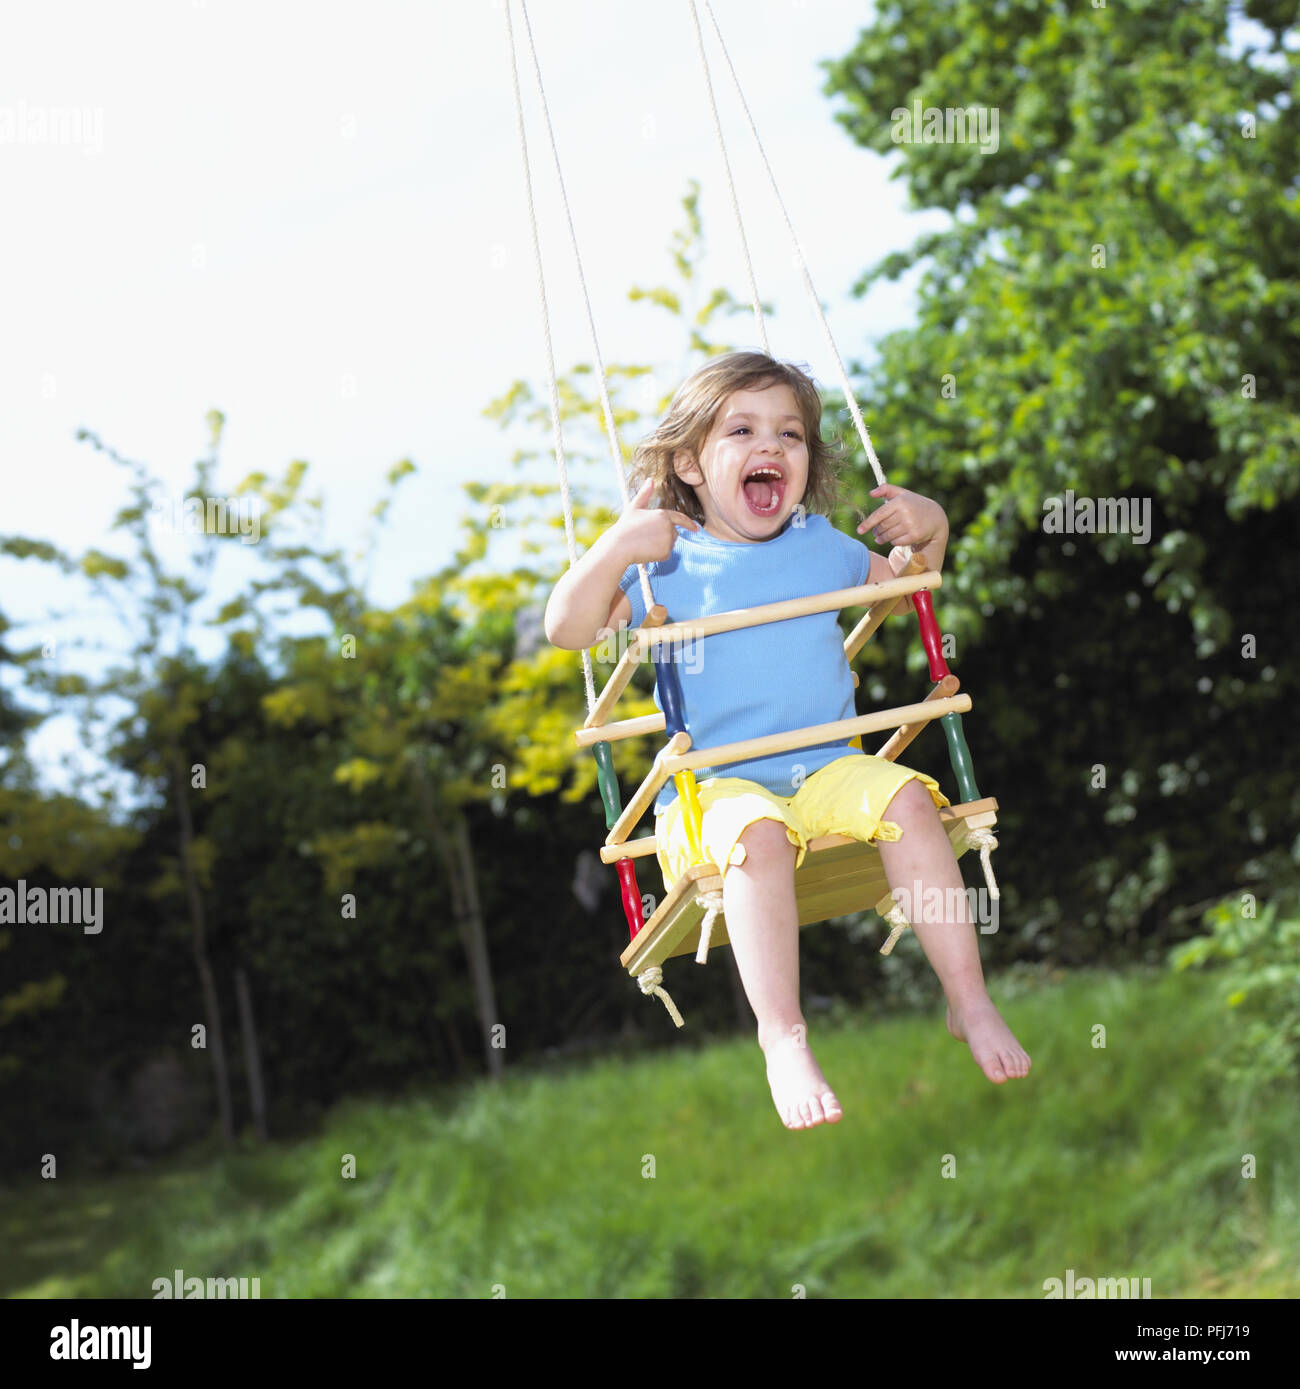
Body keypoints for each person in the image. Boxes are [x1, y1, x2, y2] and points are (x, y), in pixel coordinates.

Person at [545, 351, 1030, 1130]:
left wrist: (932, 526)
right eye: (741, 428)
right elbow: (567, 628)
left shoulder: (820, 546)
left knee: (907, 795)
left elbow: (909, 592)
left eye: (791, 433)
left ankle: (969, 999)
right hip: (716, 796)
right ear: (689, 465)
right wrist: (613, 549)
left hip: (828, 773)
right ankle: (783, 1036)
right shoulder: (663, 561)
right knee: (760, 836)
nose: (771, 445)